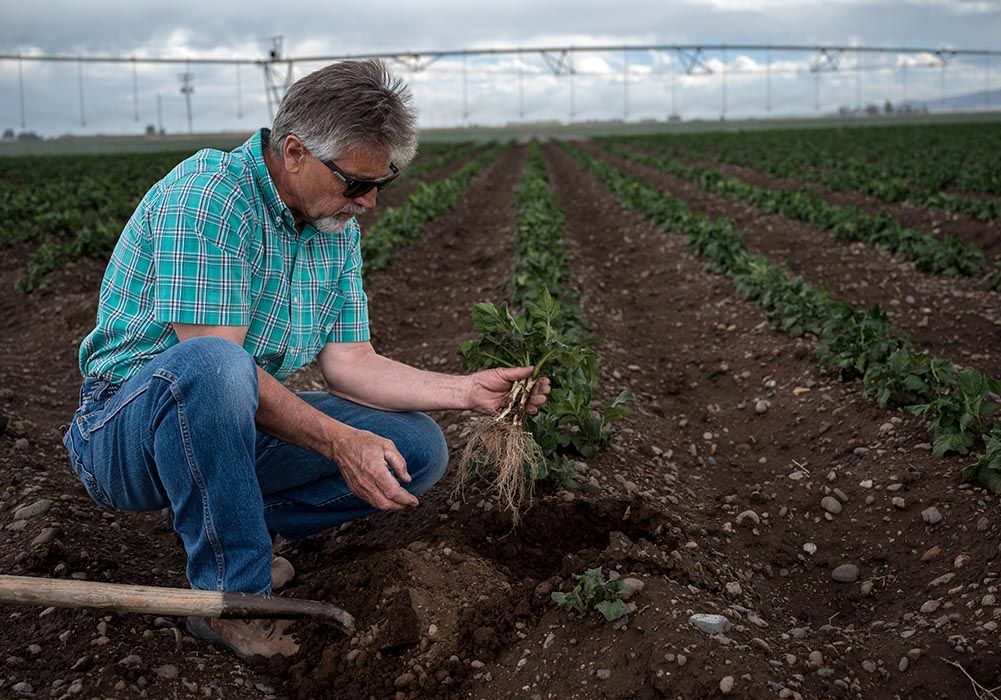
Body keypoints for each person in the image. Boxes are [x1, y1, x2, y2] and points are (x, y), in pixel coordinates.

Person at [61, 59, 549, 660]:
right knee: (215, 365)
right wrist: (339, 442)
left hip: (228, 422)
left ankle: (227, 525)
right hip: (124, 431)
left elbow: (350, 361)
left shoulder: (333, 228)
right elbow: (216, 365)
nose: (369, 202)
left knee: (417, 450)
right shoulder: (207, 198)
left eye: (382, 184)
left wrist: (465, 391)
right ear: (294, 152)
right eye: (356, 182)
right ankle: (233, 597)